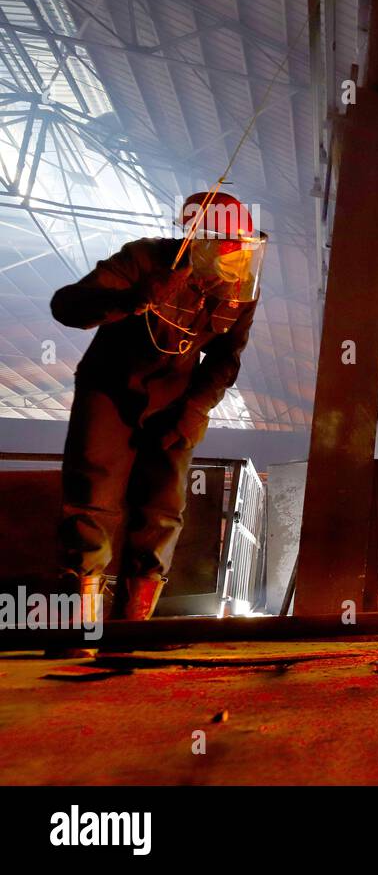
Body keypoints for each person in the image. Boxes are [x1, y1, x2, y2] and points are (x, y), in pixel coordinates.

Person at [50, 190, 266, 627]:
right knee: (93, 498)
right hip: (109, 391)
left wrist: (194, 411)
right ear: (198, 239)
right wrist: (131, 300)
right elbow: (66, 305)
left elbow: (226, 359)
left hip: (176, 402)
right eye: (226, 246)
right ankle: (81, 625)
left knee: (162, 507)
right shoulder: (143, 260)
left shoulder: (239, 289)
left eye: (243, 248)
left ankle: (133, 625)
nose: (236, 257)